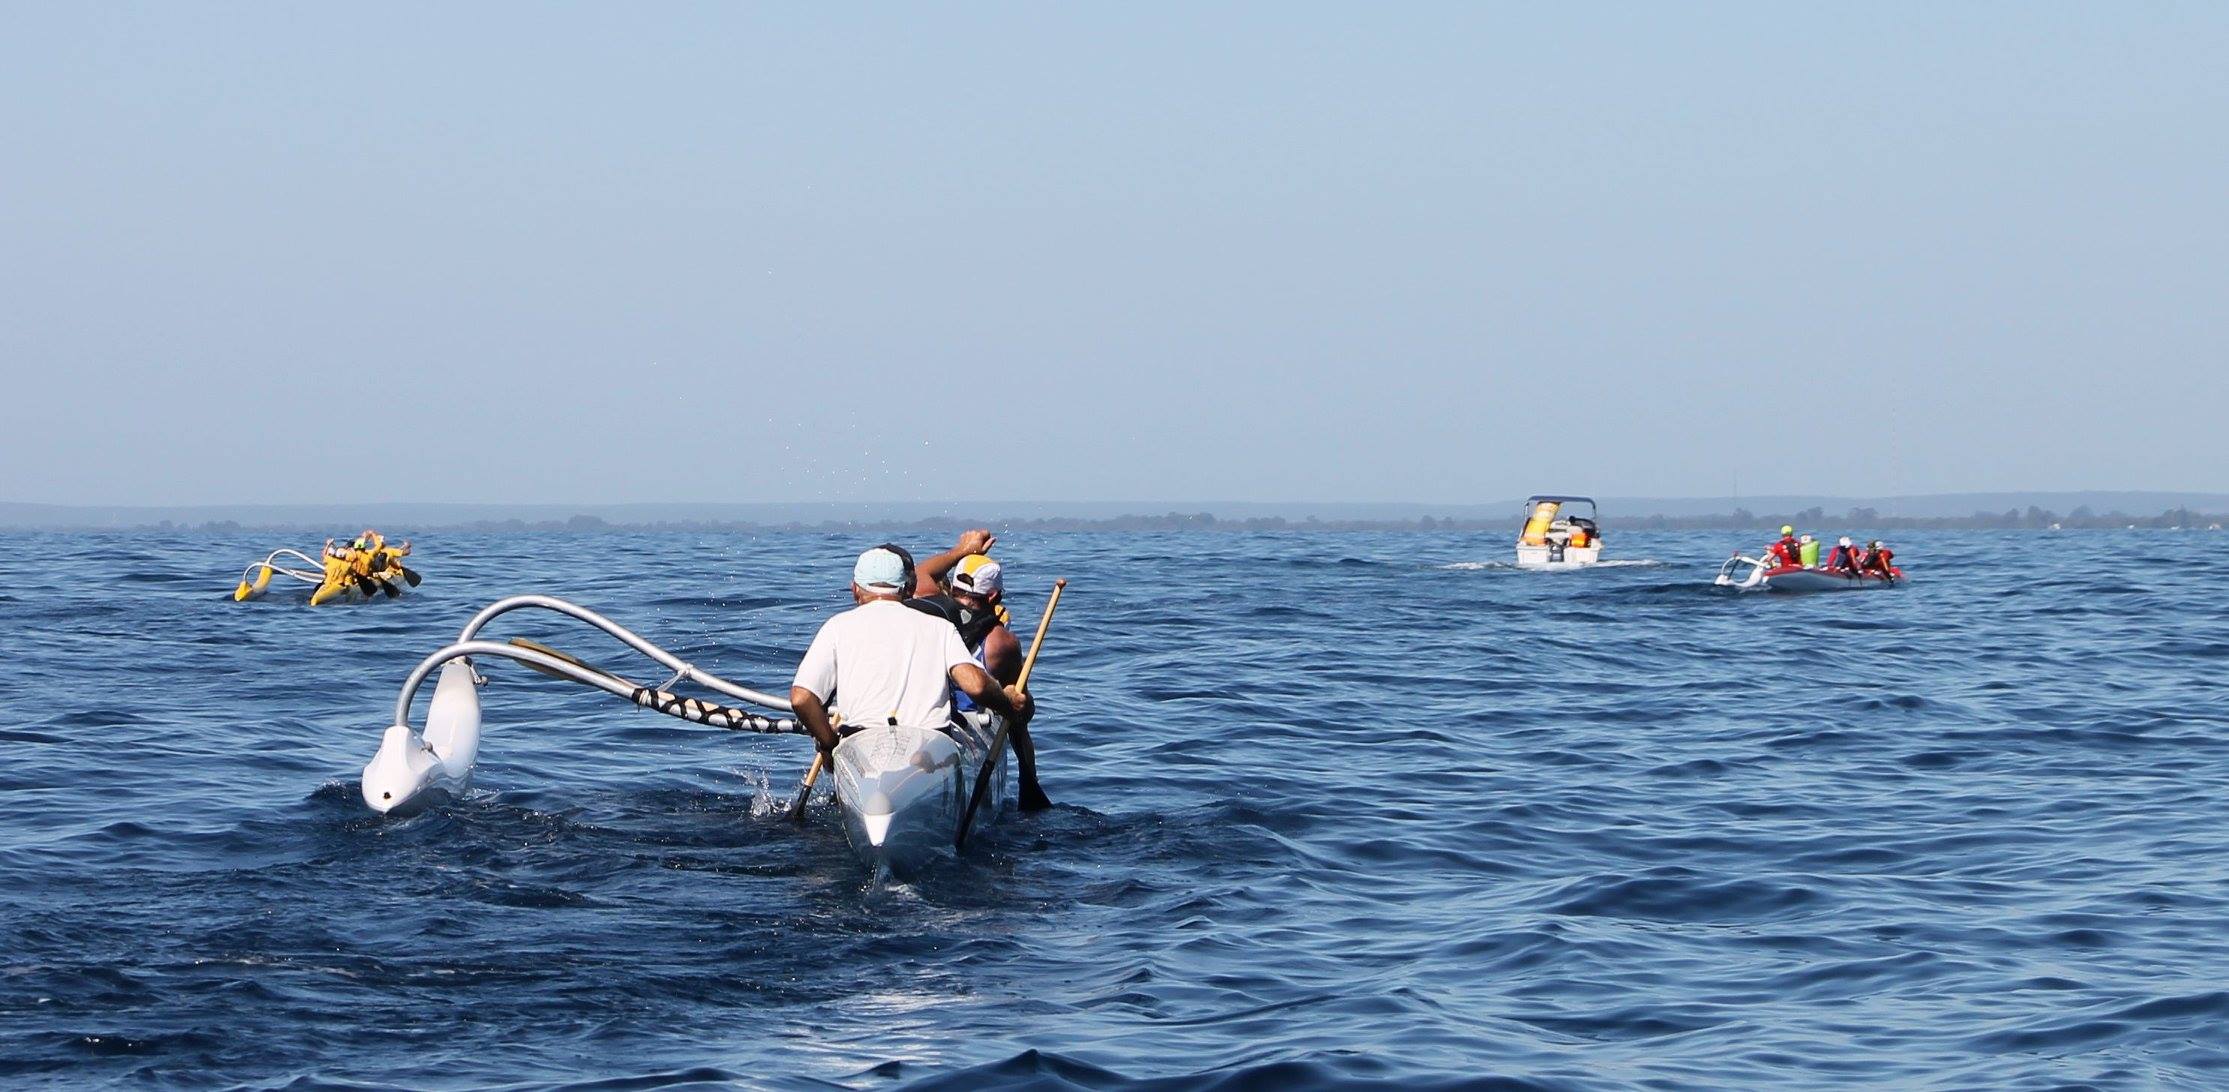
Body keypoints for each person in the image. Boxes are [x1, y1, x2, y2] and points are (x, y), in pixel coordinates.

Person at [789, 545, 1034, 788]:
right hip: (930, 747)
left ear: (855, 590)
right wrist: (1008, 704)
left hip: (860, 747)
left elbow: (801, 699)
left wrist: (829, 744)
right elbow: (977, 686)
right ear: (907, 589)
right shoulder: (940, 628)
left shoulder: (836, 626)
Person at [907, 530, 1051, 810]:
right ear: (995, 595)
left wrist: (962, 549)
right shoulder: (1001, 642)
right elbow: (1020, 713)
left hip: (923, 716)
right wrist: (1022, 702)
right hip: (971, 726)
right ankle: (1029, 780)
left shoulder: (927, 603)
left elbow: (917, 571)